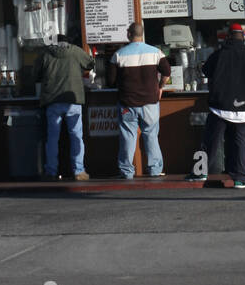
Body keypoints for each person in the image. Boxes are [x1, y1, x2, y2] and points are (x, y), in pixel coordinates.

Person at [189, 22, 245, 189]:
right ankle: (240, 179)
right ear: (242, 37)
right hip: (243, 109)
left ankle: (200, 172)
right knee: (239, 144)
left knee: (209, 142)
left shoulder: (218, 55)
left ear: (228, 36)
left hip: (219, 108)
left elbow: (206, 71)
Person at [108, 22, 171, 179]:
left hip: (127, 103)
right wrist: (160, 87)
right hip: (150, 102)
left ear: (129, 34)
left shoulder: (119, 54)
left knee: (128, 136)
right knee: (150, 135)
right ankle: (155, 170)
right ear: (142, 34)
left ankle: (126, 171)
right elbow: (167, 72)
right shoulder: (156, 52)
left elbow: (110, 81)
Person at [32, 34, 94, 181]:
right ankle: (79, 171)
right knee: (76, 136)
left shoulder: (46, 54)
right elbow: (90, 64)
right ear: (68, 42)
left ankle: (51, 171)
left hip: (52, 100)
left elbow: (35, 74)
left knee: (52, 139)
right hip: (73, 100)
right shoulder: (76, 51)